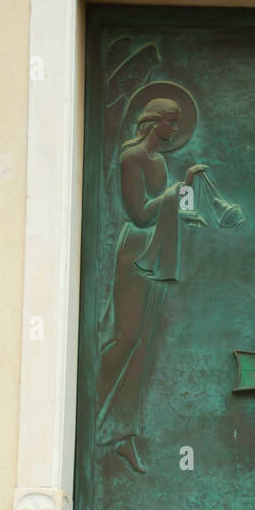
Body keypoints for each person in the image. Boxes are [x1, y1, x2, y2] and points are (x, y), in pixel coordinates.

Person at [96, 97, 207, 474]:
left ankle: (122, 434)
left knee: (144, 342)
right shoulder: (132, 158)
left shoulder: (159, 161)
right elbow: (140, 212)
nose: (175, 130)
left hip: (155, 249)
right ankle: (91, 407)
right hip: (136, 253)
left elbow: (162, 208)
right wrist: (178, 190)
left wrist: (184, 203)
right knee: (125, 337)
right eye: (170, 122)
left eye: (177, 124)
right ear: (153, 122)